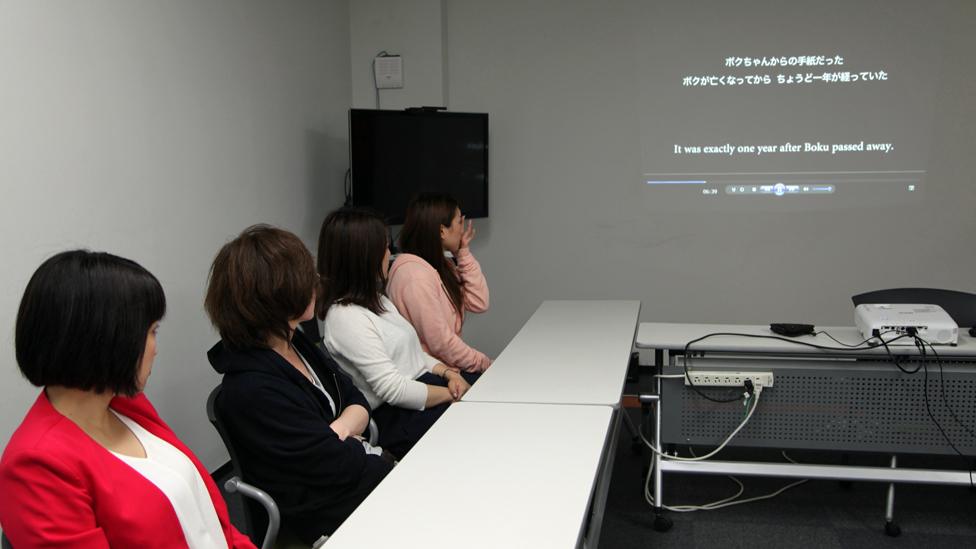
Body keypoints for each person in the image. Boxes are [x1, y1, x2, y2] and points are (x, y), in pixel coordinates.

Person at [0, 250, 255, 549]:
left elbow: (211, 519)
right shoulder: (36, 466)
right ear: (105, 338)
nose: (155, 349)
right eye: (151, 332)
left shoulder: (123, 405)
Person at [204, 225, 392, 545]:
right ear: (278, 294)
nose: (316, 284)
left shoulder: (294, 341)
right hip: (322, 512)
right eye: (307, 277)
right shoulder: (250, 391)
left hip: (354, 473)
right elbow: (337, 466)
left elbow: (354, 398)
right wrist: (352, 434)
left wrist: (338, 430)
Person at [317, 208, 470, 458]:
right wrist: (450, 394)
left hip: (423, 392)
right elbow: (393, 390)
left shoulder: (377, 300)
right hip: (398, 415)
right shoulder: (345, 317)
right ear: (363, 257)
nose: (390, 255)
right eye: (384, 248)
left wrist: (448, 373)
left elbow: (414, 353)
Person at [387, 193, 491, 377]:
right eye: (460, 222)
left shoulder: (440, 265)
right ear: (442, 231)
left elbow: (479, 302)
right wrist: (482, 362)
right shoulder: (414, 275)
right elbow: (440, 342)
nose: (463, 229)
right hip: (430, 375)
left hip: (448, 369)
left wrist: (463, 253)